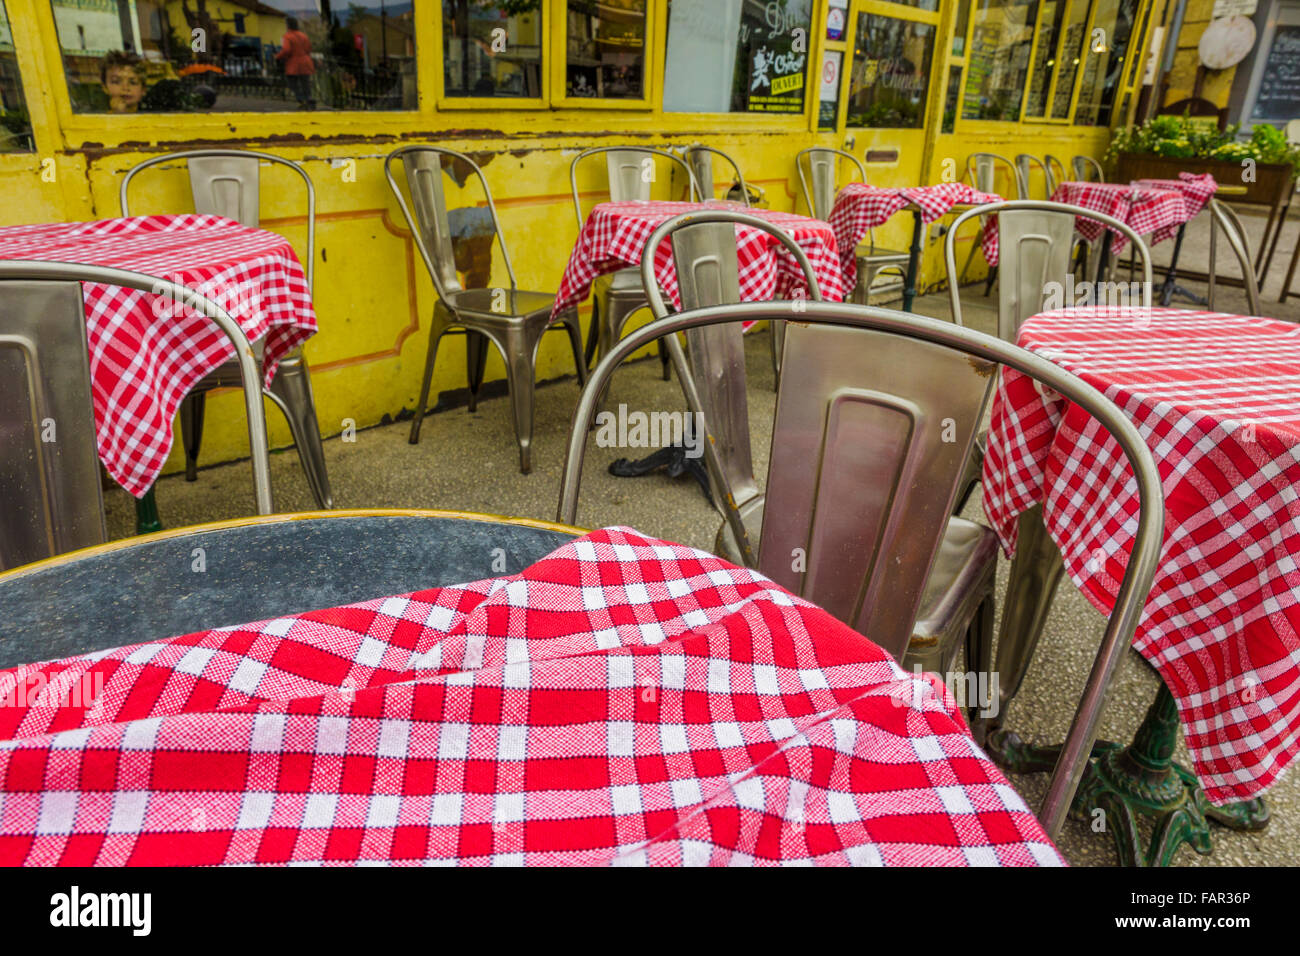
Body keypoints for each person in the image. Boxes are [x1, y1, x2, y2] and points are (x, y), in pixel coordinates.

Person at [276, 17, 316, 110]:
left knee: (292, 83)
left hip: (294, 64)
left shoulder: (288, 36)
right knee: (305, 83)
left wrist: (277, 56)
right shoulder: (304, 36)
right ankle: (308, 99)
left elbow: (286, 50)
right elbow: (309, 48)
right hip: (306, 63)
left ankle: (301, 99)